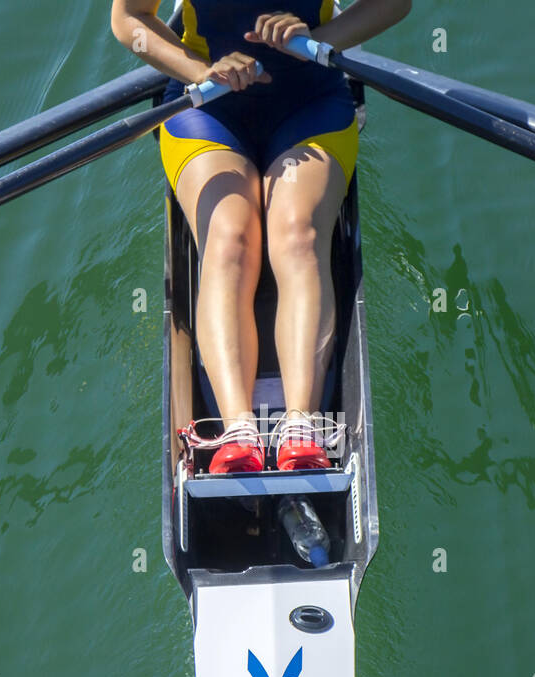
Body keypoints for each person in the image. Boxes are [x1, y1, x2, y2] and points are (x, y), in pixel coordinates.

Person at [111, 1, 410, 471]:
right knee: (230, 235)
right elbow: (128, 19)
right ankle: (238, 433)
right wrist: (205, 70)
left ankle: (301, 427)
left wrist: (320, 39)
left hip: (312, 103)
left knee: (296, 233)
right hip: (207, 105)